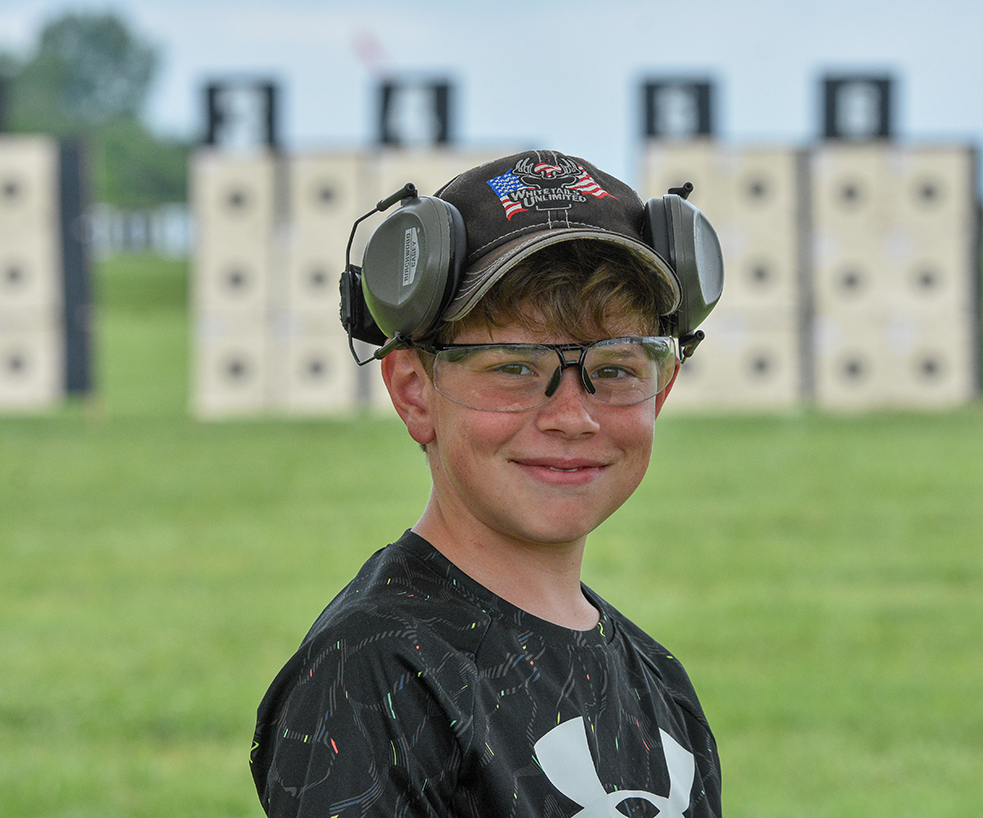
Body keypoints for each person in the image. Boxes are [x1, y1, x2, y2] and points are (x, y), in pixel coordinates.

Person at [250, 149, 722, 817]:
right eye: (513, 369)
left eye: (616, 369)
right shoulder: (374, 672)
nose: (573, 416)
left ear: (662, 390)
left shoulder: (657, 682)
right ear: (415, 392)